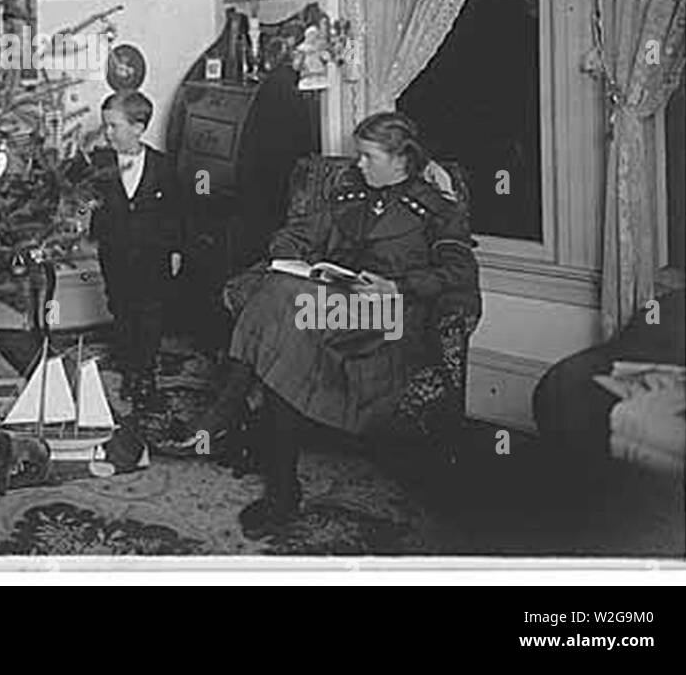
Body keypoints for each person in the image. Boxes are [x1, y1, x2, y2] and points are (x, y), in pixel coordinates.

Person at [158, 112, 479, 539]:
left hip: (389, 317)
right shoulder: (349, 195)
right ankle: (278, 482)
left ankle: (230, 422)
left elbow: (460, 272)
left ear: (400, 158)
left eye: (368, 157)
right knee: (282, 302)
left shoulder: (437, 208)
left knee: (278, 303)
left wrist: (397, 286)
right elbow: (295, 236)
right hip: (332, 304)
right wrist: (297, 256)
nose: (358, 165)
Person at [69, 92, 184, 408]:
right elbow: (73, 187)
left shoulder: (162, 166)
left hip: (153, 253)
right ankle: (128, 364)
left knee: (150, 311)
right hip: (115, 249)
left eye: (113, 126)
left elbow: (174, 212)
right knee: (120, 306)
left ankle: (144, 372)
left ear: (138, 127)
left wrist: (175, 249)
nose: (107, 132)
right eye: (105, 126)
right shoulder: (99, 162)